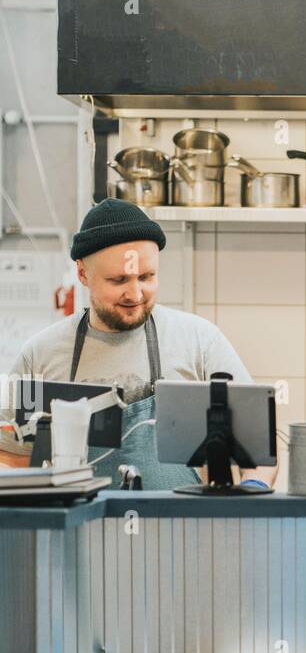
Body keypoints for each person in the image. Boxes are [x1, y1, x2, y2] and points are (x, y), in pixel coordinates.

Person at [0, 199, 277, 491]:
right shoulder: (40, 354)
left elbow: (258, 447)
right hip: (80, 533)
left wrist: (254, 488)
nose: (135, 294)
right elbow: (12, 454)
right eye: (118, 280)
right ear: (83, 273)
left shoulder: (199, 341)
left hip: (176, 530)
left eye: (146, 277)